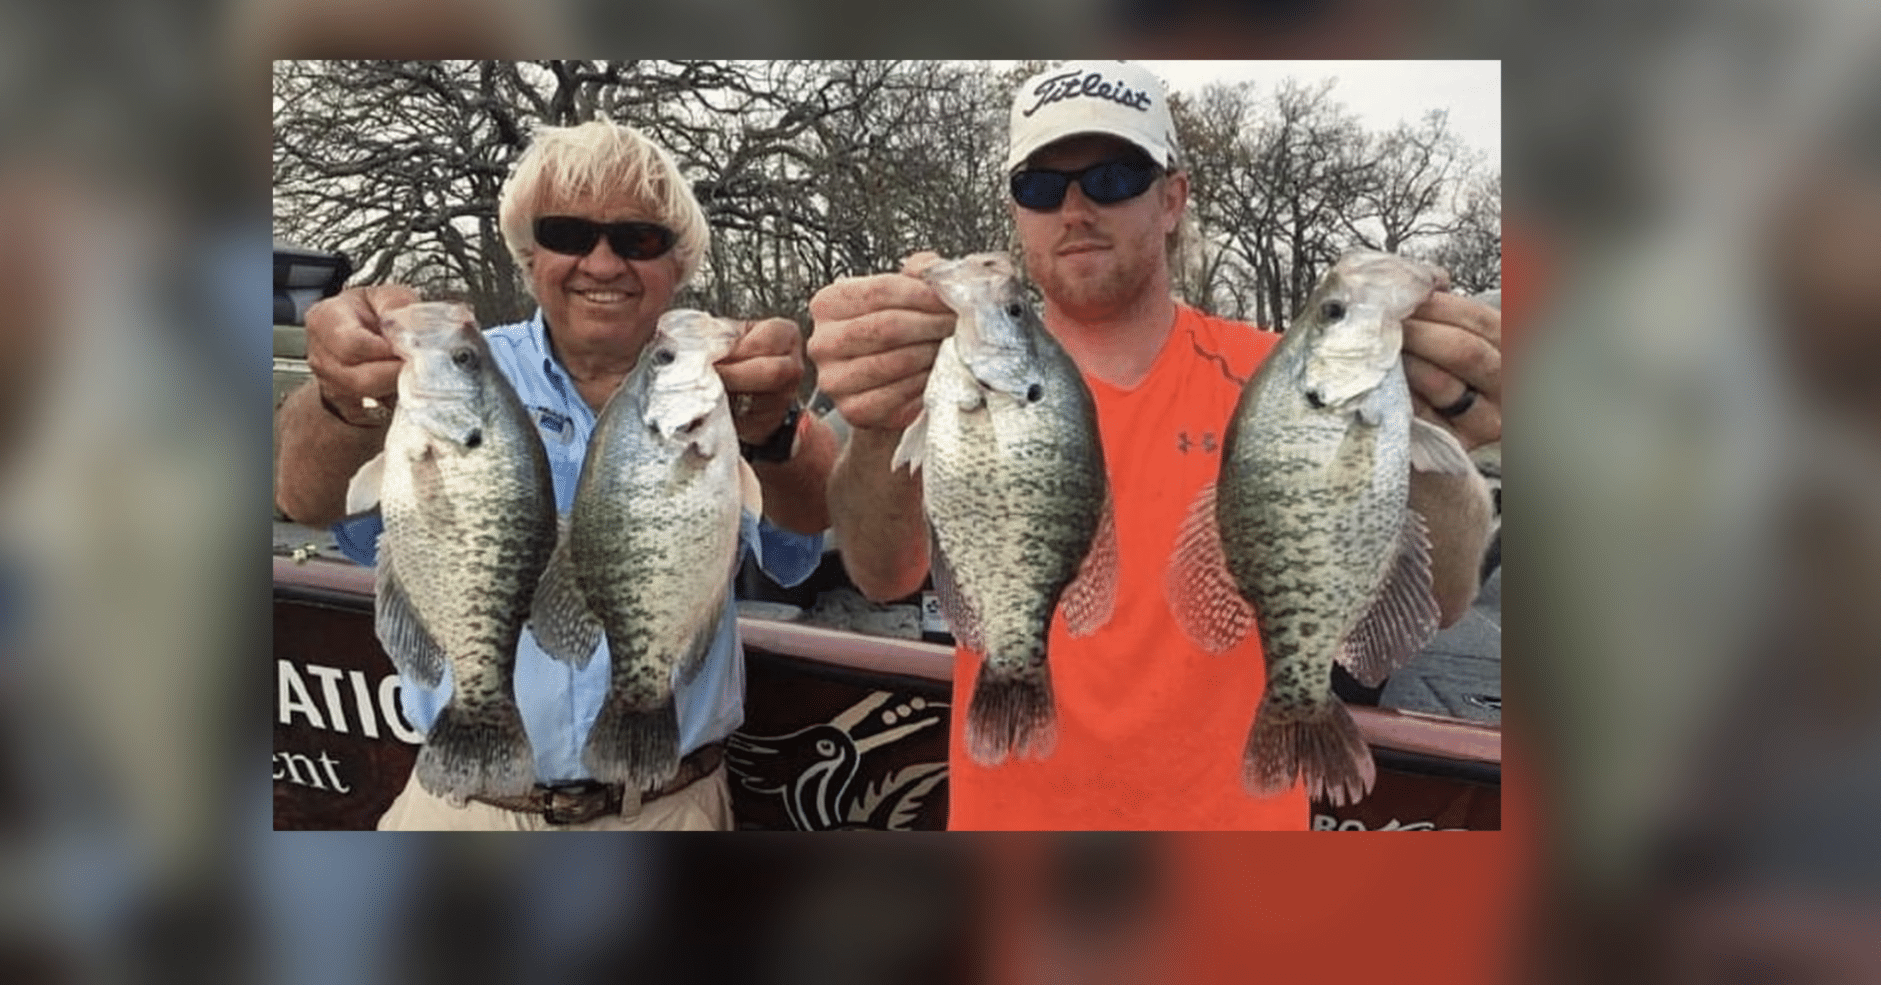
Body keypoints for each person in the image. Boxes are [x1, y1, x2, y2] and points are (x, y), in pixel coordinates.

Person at [807, 61, 1502, 830]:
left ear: (1172, 198)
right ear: (1016, 209)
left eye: (1113, 176)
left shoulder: (1276, 380)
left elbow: (1444, 599)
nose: (1074, 209)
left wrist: (1437, 428)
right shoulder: (951, 380)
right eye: (1042, 185)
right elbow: (879, 576)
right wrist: (877, 424)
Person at [275, 120, 836, 830]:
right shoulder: (456, 375)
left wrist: (778, 428)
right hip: (462, 810)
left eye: (639, 239)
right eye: (569, 232)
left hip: (669, 806)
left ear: (681, 263)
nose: (602, 263)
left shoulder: (728, 393)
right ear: (528, 252)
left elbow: (796, 543)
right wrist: (340, 395)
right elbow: (306, 495)